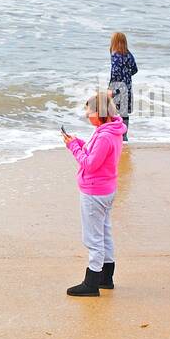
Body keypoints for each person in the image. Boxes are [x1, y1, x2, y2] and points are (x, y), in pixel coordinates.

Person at [63, 91, 127, 296]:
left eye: (89, 111)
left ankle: (91, 283)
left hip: (95, 192)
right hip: (106, 189)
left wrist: (72, 147)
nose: (87, 115)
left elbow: (89, 165)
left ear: (99, 112)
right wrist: (80, 142)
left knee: (94, 238)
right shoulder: (111, 130)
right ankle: (106, 277)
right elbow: (96, 155)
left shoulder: (104, 136)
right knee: (104, 233)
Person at [109, 32, 138, 142]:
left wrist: (111, 89)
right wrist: (127, 76)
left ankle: (114, 135)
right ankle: (124, 136)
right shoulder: (128, 54)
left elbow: (115, 73)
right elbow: (135, 69)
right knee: (124, 112)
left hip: (117, 87)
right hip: (127, 88)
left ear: (114, 42)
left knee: (112, 111)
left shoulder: (115, 55)